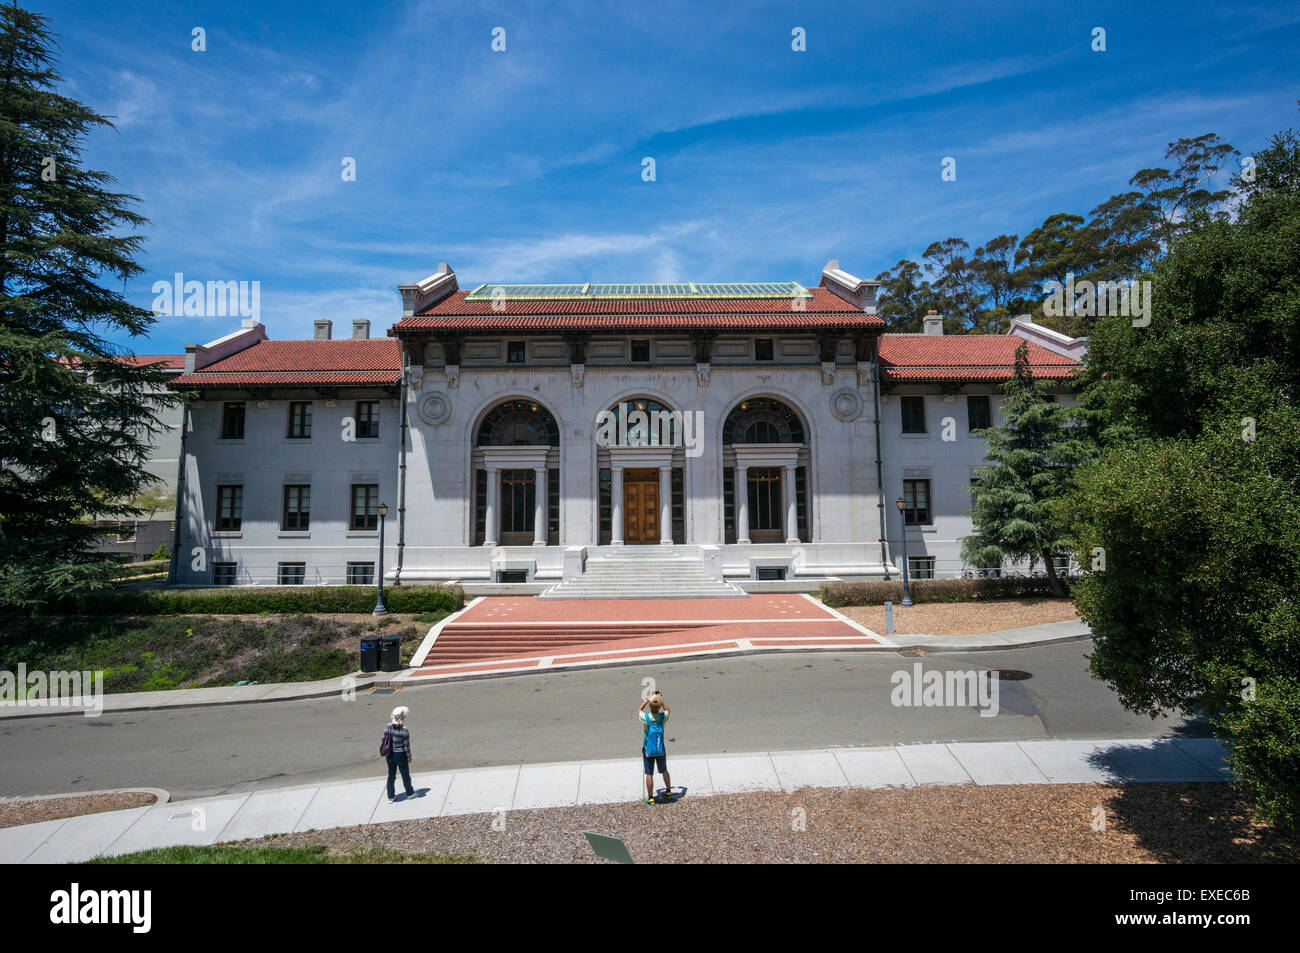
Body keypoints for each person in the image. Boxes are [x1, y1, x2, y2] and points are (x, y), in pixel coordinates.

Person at [637, 691, 672, 803]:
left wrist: (648, 699)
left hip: (648, 748)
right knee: (664, 770)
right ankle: (668, 791)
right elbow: (667, 710)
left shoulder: (646, 717)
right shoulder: (662, 716)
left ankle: (651, 798)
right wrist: (660, 700)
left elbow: (639, 710)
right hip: (660, 748)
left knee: (649, 773)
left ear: (650, 706)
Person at [383, 706, 415, 800]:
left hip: (390, 754)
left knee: (391, 775)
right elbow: (406, 745)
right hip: (400, 754)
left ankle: (391, 796)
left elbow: (383, 739)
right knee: (405, 774)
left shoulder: (388, 726)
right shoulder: (404, 729)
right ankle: (409, 793)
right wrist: (409, 756)